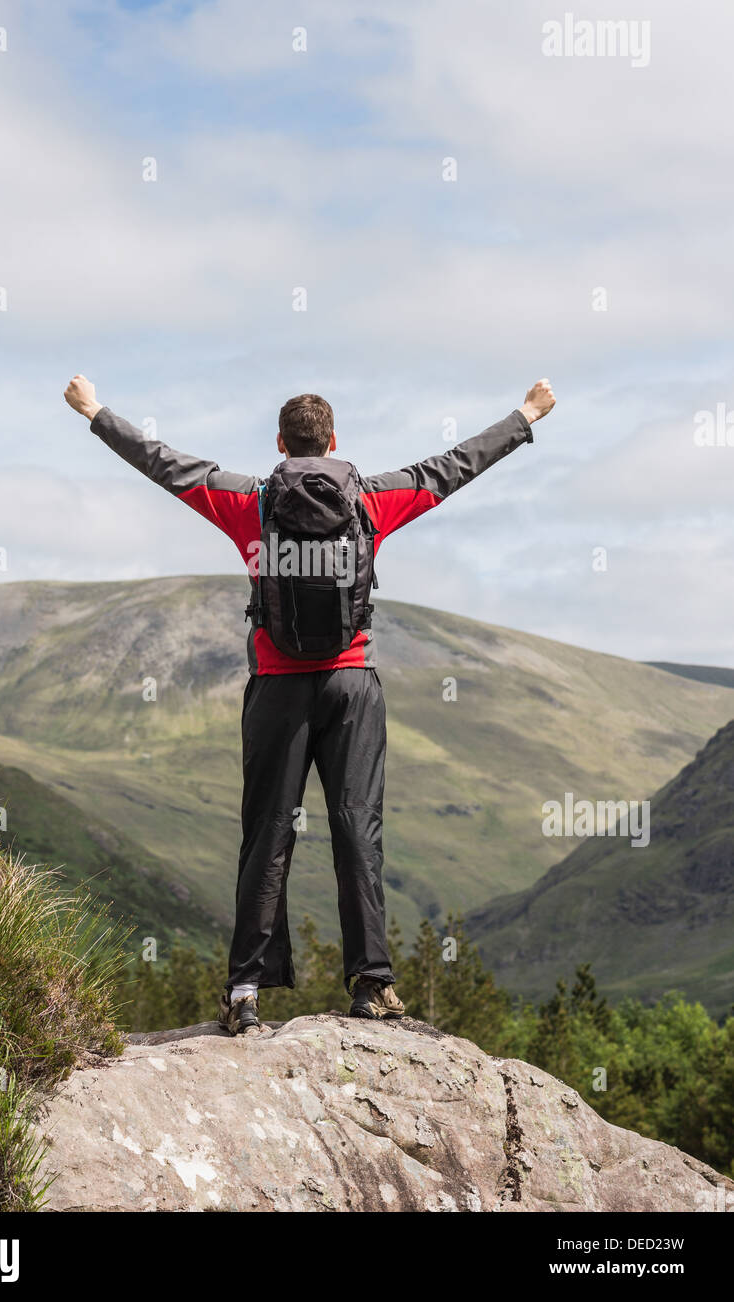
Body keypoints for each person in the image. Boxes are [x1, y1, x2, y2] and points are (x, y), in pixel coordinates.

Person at [65, 374, 556, 1034]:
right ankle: (372, 984)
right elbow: (453, 467)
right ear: (333, 441)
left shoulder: (249, 501)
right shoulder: (373, 500)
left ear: (280, 443)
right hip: (352, 684)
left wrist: (95, 411)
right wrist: (525, 415)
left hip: (277, 688)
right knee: (358, 831)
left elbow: (163, 463)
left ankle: (245, 993)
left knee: (268, 835)